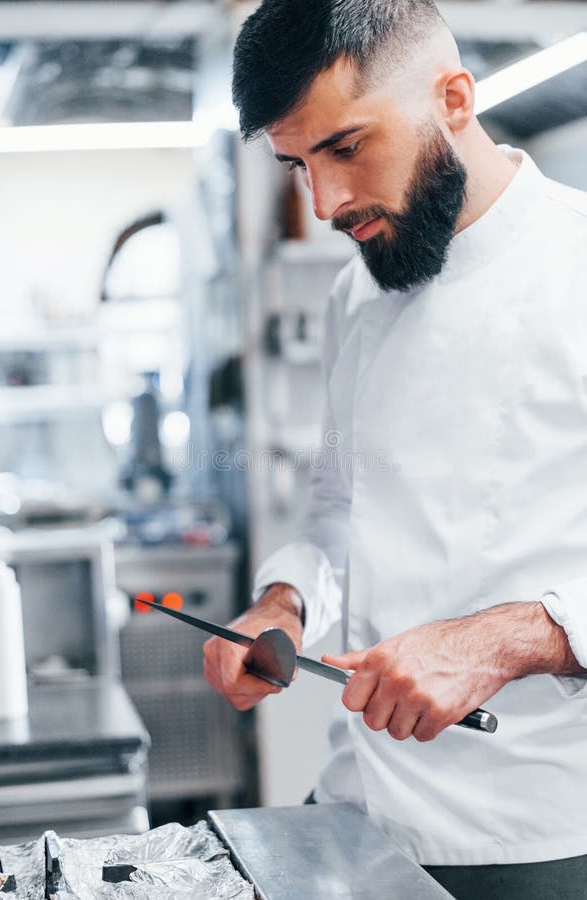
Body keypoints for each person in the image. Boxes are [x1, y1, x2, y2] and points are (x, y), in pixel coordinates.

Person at [204, 1, 587, 896]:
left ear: (454, 98)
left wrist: (511, 638)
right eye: (298, 165)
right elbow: (343, 502)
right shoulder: (357, 293)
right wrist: (284, 605)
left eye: (345, 147)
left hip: (541, 831)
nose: (327, 202)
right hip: (360, 808)